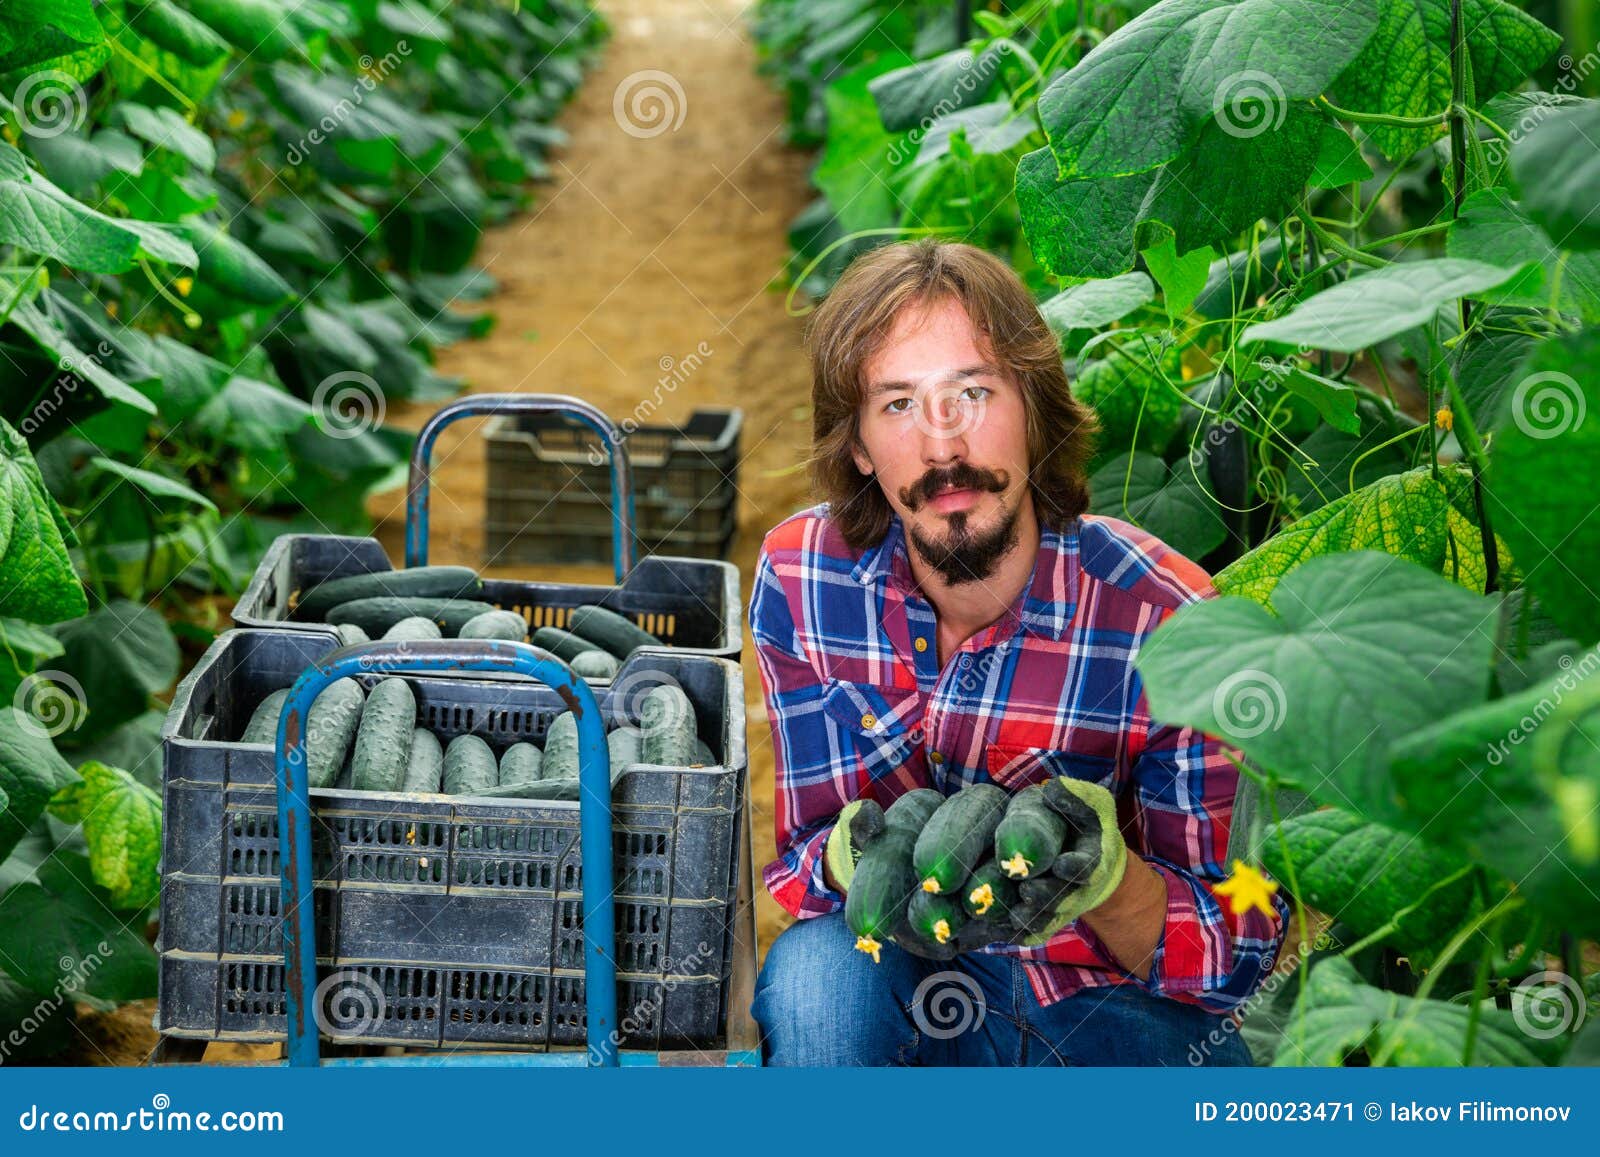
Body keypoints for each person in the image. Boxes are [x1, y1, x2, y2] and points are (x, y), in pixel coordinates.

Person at [747, 240, 1288, 1066]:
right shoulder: (803, 579)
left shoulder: (1167, 615)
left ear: (1033, 407)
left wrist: (1110, 881)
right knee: (815, 982)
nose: (943, 446)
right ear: (857, 447)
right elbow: (798, 871)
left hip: (1104, 1001)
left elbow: (1231, 960)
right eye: (898, 405)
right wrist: (848, 855)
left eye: (973, 392)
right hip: (893, 971)